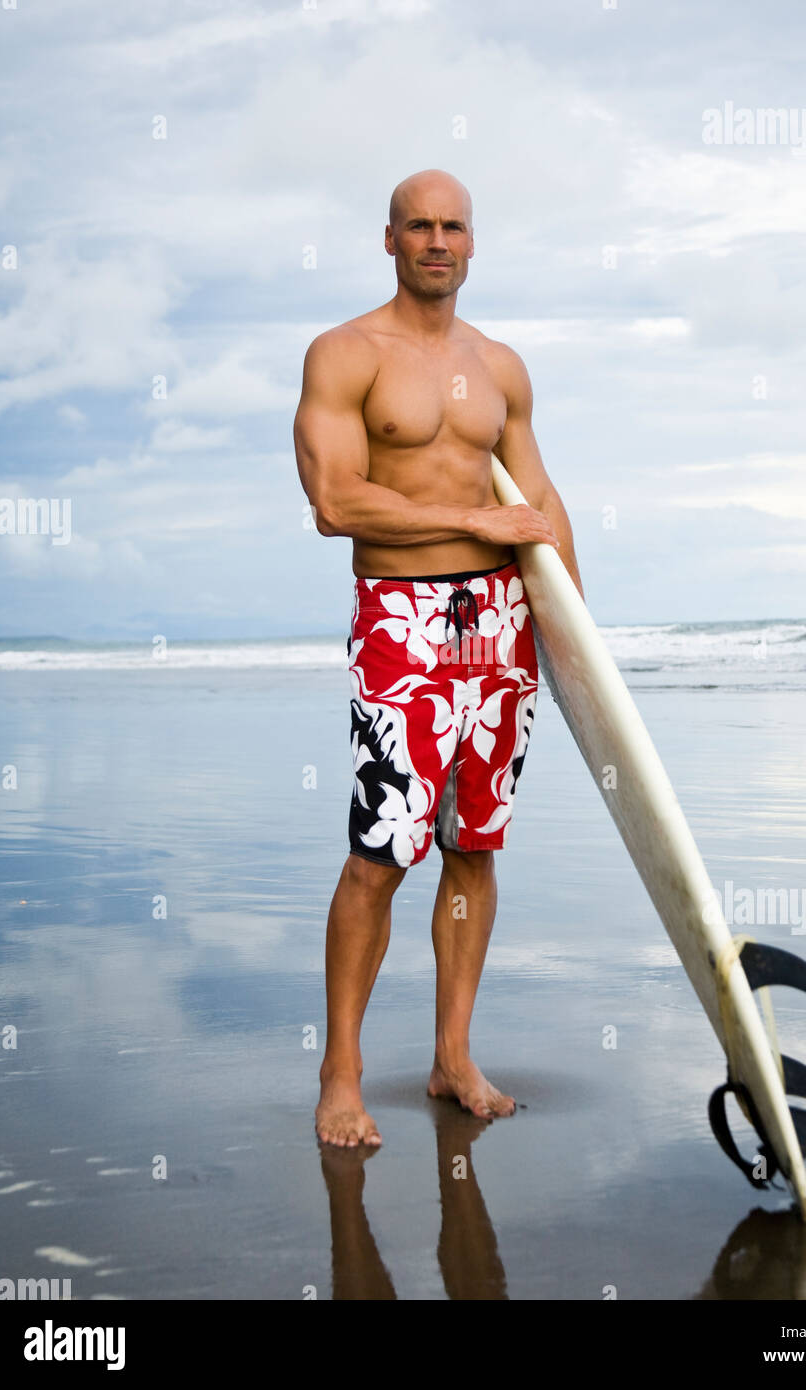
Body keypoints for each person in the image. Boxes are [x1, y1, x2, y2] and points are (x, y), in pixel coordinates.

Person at [293, 169, 583, 1148]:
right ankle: (341, 1074)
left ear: (472, 242)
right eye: (416, 225)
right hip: (403, 624)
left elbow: (537, 502)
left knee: (473, 845)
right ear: (387, 240)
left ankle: (452, 1055)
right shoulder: (344, 354)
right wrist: (467, 514)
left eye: (452, 225)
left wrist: (578, 643)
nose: (435, 240)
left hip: (500, 626)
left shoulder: (501, 366)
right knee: (382, 851)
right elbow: (335, 501)